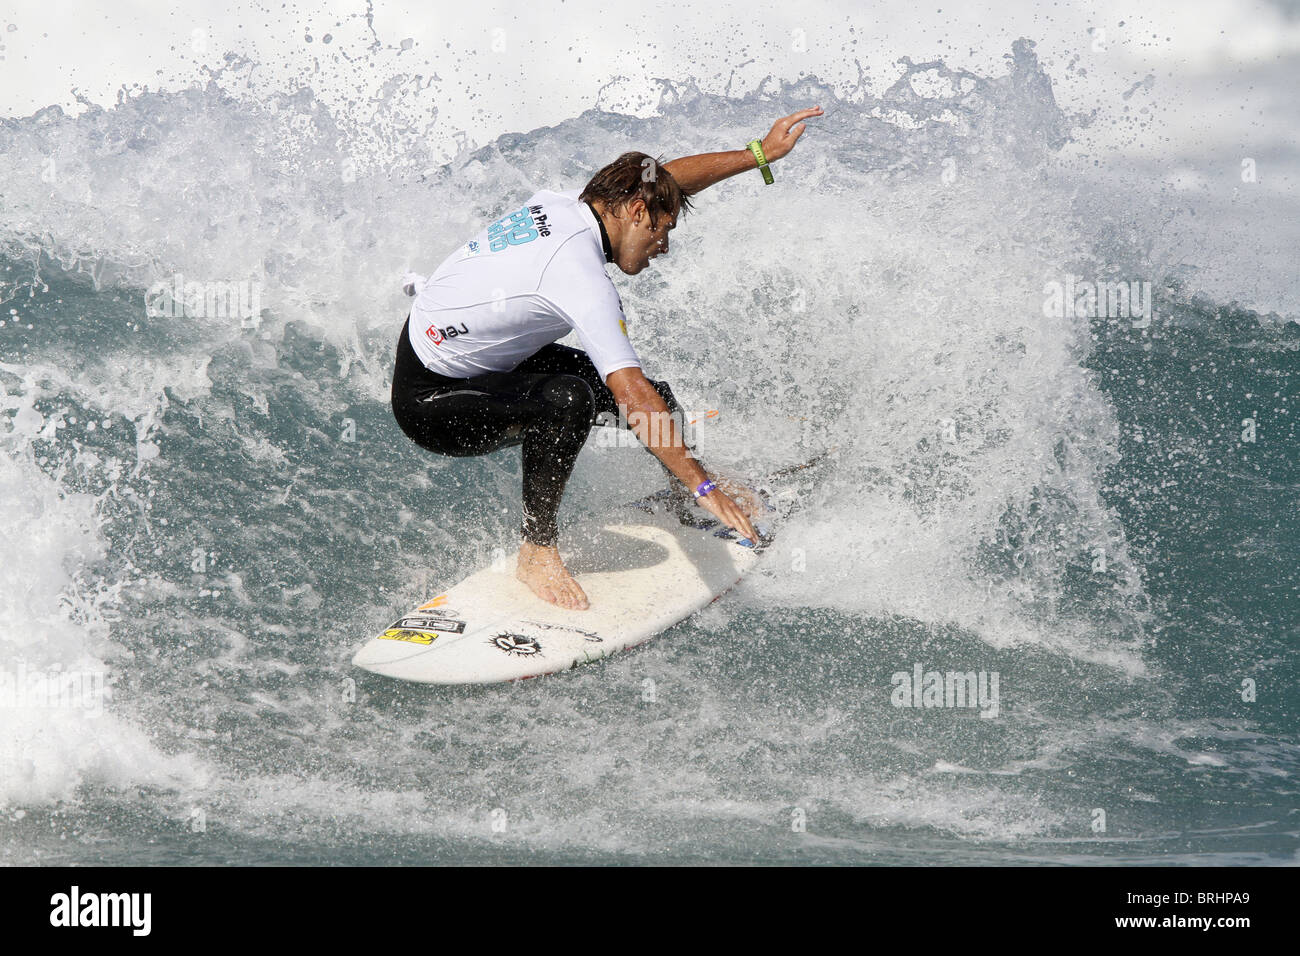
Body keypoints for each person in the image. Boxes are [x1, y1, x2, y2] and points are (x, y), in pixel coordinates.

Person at [392, 106, 824, 610]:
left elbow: (666, 181)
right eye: (663, 230)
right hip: (434, 402)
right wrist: (705, 484)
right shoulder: (578, 275)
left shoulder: (568, 208)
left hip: (479, 358)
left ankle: (683, 494)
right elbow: (629, 394)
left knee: (658, 399)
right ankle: (537, 549)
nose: (661, 247)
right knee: (572, 399)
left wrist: (760, 155)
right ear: (637, 212)